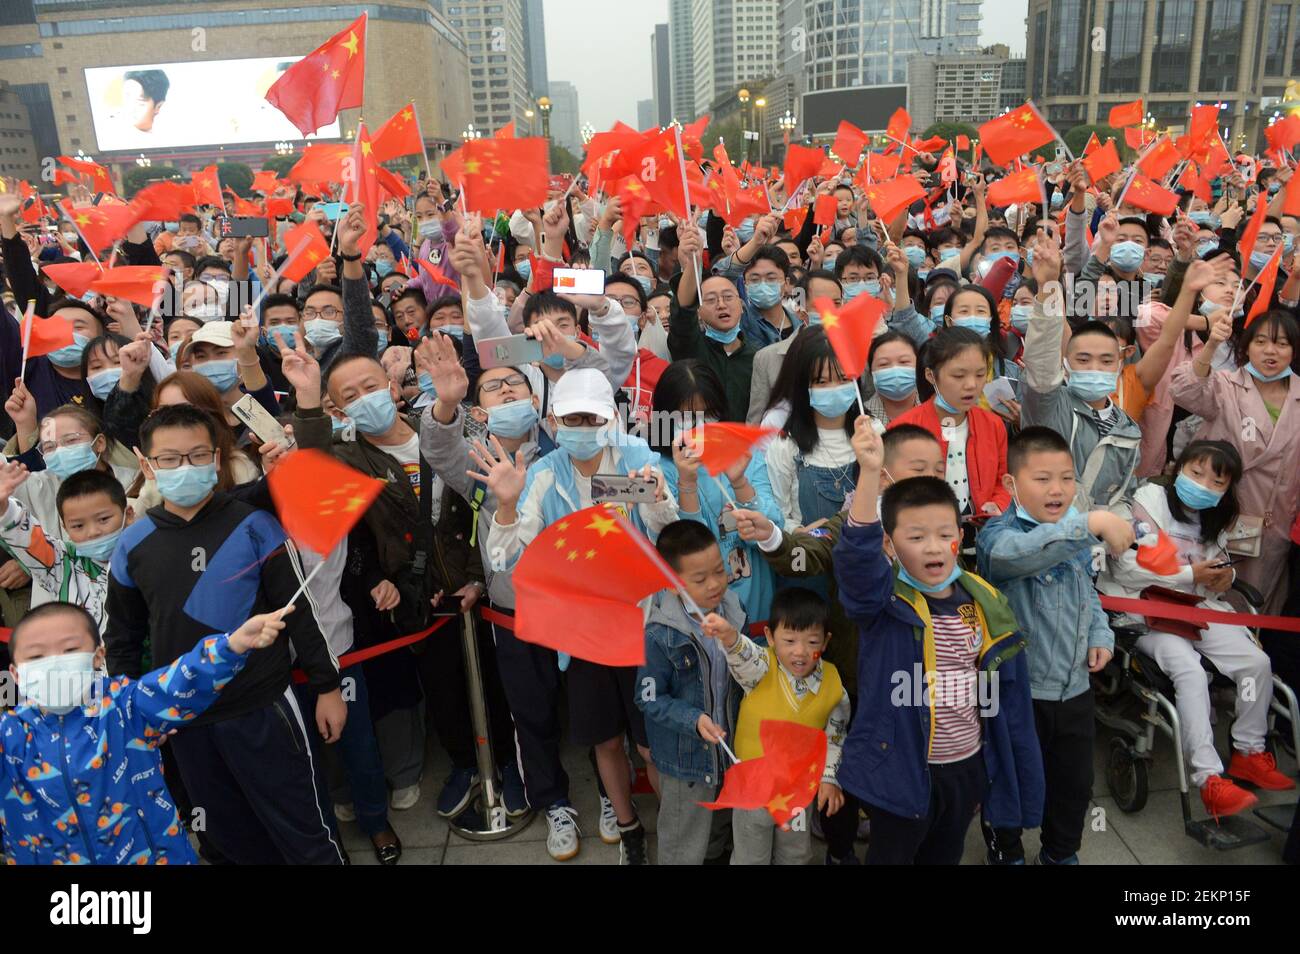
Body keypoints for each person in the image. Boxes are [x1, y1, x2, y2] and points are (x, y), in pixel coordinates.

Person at [105, 403, 346, 864]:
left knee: (305, 831)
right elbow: (123, 637)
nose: (185, 467)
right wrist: (127, 710)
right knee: (229, 840)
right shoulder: (132, 544)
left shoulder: (253, 523)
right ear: (146, 464)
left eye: (198, 455)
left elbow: (299, 611)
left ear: (217, 459)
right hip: (186, 720)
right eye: (170, 459)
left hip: (263, 706)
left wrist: (329, 686)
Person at [480, 368, 679, 864]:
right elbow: (506, 558)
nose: (582, 427)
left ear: (611, 418)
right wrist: (505, 507)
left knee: (653, 744)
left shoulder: (637, 460)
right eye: (572, 418)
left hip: (643, 626)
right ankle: (628, 827)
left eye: (592, 417)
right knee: (605, 739)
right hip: (585, 633)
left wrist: (655, 498)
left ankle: (678, 834)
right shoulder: (544, 476)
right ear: (554, 420)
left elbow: (670, 536)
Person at [832, 419, 1042, 864]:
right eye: (916, 537)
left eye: (945, 535)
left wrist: (996, 769)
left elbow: (1005, 700)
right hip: (900, 771)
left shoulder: (985, 603)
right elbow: (856, 560)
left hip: (966, 769)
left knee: (944, 855)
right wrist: (871, 474)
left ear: (960, 537)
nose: (933, 547)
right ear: (889, 545)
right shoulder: (885, 605)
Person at [1, 600, 292, 864]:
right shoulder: (9, 733)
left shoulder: (123, 705)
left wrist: (230, 647)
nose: (55, 663)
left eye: (70, 650)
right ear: (15, 674)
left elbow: (175, 684)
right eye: (37, 655)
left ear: (98, 656)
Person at [1099, 440, 1296, 817]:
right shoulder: (1149, 500)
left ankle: (1248, 750)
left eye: (1217, 481)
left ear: (1227, 490)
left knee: (1255, 664)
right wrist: (1191, 574)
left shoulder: (1215, 518)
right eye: (1196, 472)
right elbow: (1126, 569)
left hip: (1195, 607)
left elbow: (1214, 566)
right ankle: (1208, 778)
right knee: (1189, 671)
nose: (1204, 484)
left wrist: (1226, 576)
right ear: (1178, 469)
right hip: (1144, 609)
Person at [976, 426, 1134, 865]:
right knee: (1008, 778)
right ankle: (1006, 852)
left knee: (1074, 785)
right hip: (1019, 692)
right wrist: (1091, 523)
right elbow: (1024, 554)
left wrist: (1101, 634)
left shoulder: (1072, 530)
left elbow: (1087, 592)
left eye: (1067, 478)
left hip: (1075, 689)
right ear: (1011, 484)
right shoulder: (998, 537)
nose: (1058, 489)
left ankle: (1060, 852)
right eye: (1042, 478)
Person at [703, 585, 849, 865]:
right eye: (790, 640)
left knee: (795, 854)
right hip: (753, 791)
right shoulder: (761, 669)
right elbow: (744, 655)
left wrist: (829, 778)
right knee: (750, 857)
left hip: (798, 793)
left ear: (826, 642)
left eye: (812, 641)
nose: (801, 652)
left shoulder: (833, 684)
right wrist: (731, 637)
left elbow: (835, 736)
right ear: (770, 637)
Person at [1170, 309, 1300, 614]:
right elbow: (1184, 390)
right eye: (1262, 341)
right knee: (1212, 602)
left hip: (1276, 523)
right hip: (1225, 516)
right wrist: (1213, 344)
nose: (1271, 351)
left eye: (1281, 344)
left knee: (1262, 606)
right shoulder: (1226, 384)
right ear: (1246, 346)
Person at [637, 519, 745, 865]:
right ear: (671, 584)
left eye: (719, 570)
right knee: (683, 842)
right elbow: (649, 697)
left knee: (718, 832)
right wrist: (693, 719)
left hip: (728, 750)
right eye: (700, 579)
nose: (715, 584)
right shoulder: (659, 634)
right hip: (686, 761)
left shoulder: (733, 609)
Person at [1018, 238, 1142, 512]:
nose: (1094, 367)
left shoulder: (1129, 430)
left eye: (1106, 360)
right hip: (1047, 534)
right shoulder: (1049, 404)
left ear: (1121, 363)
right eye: (1083, 359)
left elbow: (1124, 493)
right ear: (1065, 364)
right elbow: (1040, 360)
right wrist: (1049, 287)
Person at [891, 327, 1011, 517]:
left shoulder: (993, 424)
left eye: (980, 375)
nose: (971, 384)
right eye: (958, 376)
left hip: (983, 529)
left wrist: (998, 504)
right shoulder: (904, 429)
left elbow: (1002, 480)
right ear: (931, 375)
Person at [0, 465, 129, 629]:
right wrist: (4, 509)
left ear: (128, 513)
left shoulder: (150, 558)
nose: (93, 532)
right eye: (78, 526)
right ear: (65, 527)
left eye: (103, 519)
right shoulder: (63, 563)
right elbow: (28, 537)